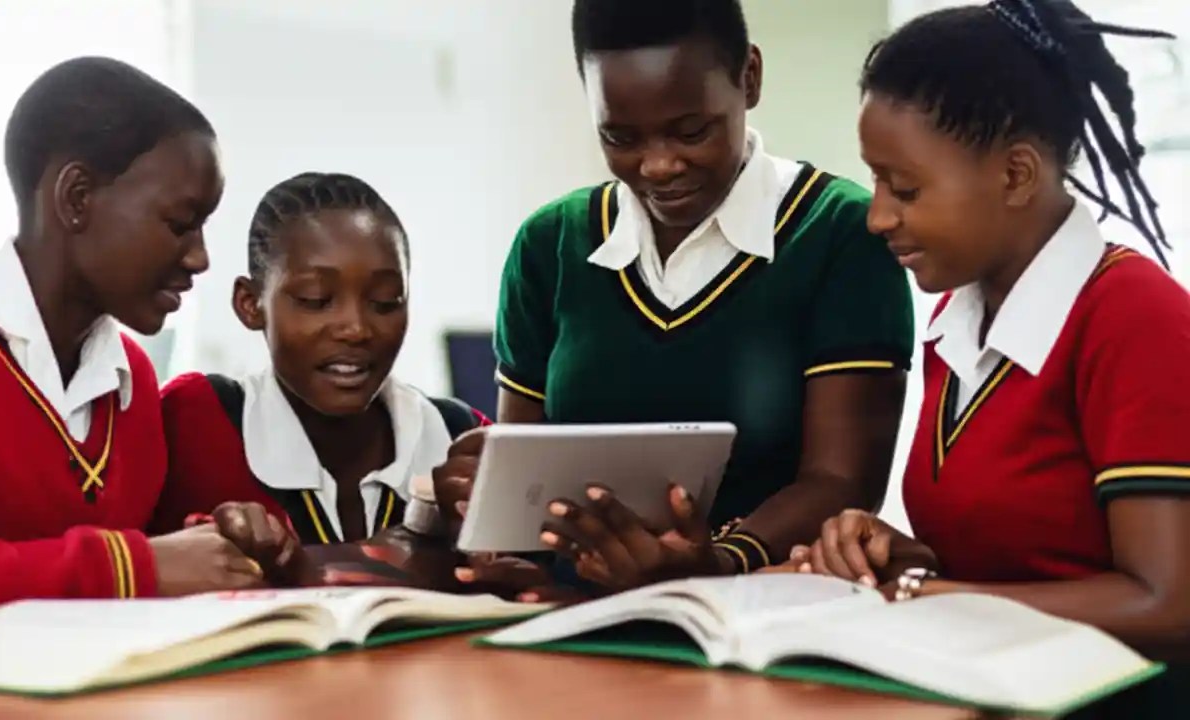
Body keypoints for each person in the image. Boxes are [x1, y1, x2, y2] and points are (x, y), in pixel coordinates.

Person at [441, 0, 915, 595]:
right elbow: (525, 483)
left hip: (765, 613)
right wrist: (490, 511)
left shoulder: (840, 232)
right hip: (573, 619)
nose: (659, 165)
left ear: (750, 78)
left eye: (692, 131)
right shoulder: (549, 246)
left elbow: (842, 480)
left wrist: (715, 563)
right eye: (620, 137)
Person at [791, 0, 1190, 679]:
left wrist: (933, 600)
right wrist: (905, 561)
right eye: (874, 178)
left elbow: (1168, 604)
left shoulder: (1133, 315)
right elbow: (1025, 562)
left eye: (906, 188)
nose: (877, 216)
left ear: (1016, 175)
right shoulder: (960, 315)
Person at [0, 57, 292, 633]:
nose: (200, 258)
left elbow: (136, 579)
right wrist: (133, 567)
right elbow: (127, 569)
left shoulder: (134, 384)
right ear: (77, 197)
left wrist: (215, 546)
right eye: (180, 222)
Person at [155, 172, 488, 578]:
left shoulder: (460, 438)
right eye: (316, 300)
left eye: (386, 302)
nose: (355, 328)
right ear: (250, 304)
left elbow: (530, 588)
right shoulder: (192, 423)